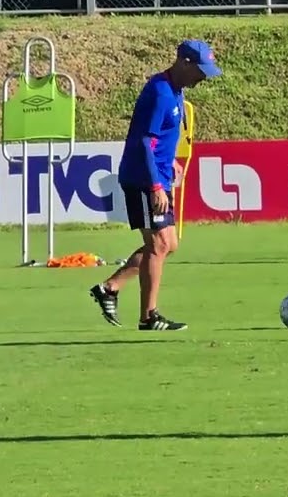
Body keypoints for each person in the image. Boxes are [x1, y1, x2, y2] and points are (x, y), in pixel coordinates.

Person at [88, 40, 222, 331]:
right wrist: (155, 186)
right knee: (158, 244)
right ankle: (149, 316)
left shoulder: (176, 90)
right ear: (184, 63)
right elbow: (145, 142)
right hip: (143, 179)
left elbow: (161, 138)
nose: (203, 78)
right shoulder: (160, 92)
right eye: (200, 71)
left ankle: (110, 287)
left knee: (168, 244)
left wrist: (171, 161)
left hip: (158, 174)